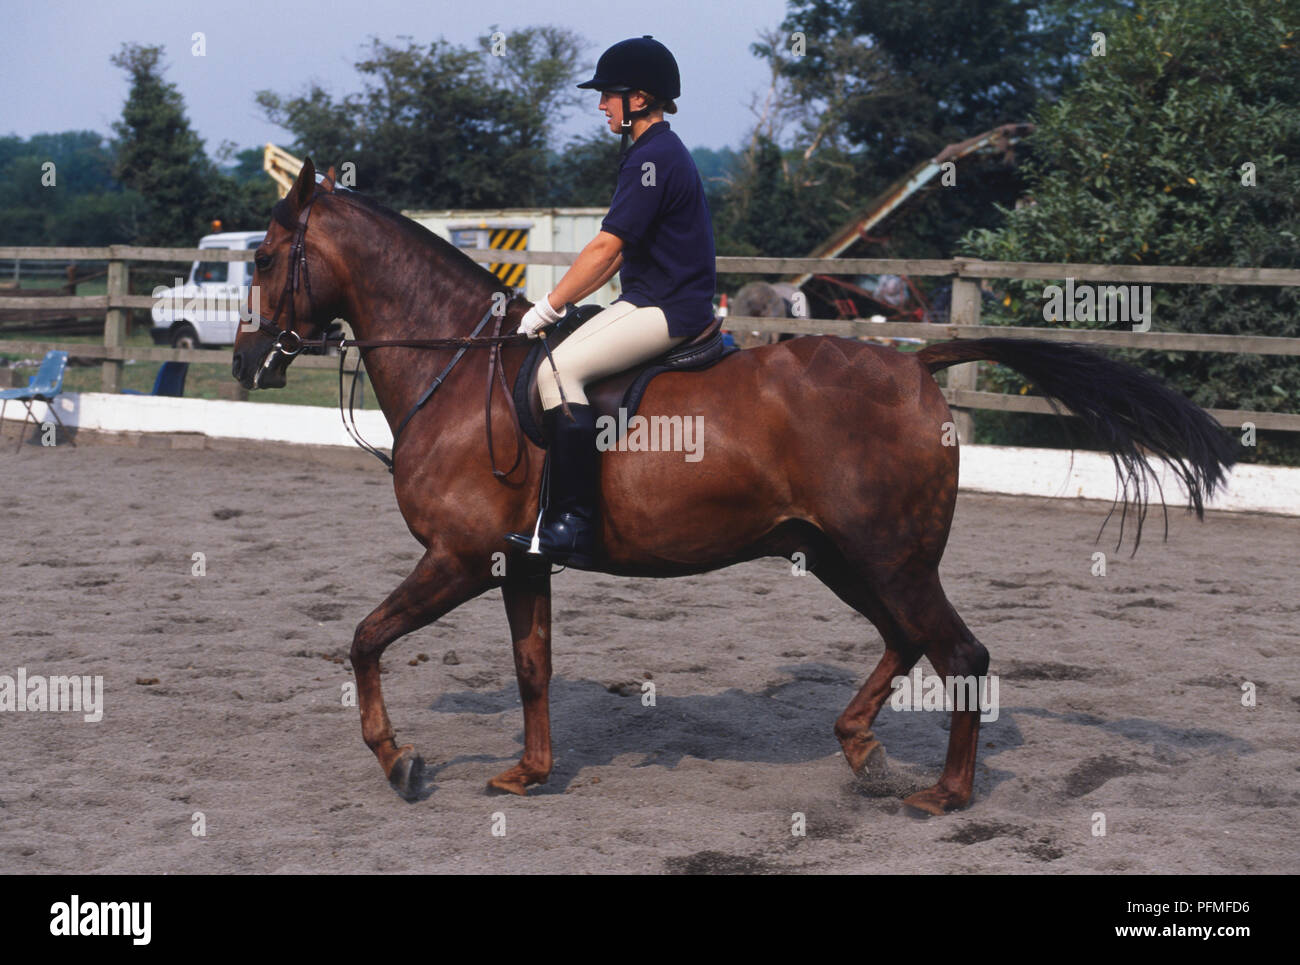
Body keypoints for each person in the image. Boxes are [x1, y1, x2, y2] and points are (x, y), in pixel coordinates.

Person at [506, 35, 717, 568]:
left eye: (608, 95)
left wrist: (548, 307)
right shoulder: (653, 153)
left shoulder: (653, 158)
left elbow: (606, 249)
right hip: (658, 298)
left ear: (639, 99)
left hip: (667, 308)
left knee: (554, 373)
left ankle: (571, 524)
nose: (601, 105)